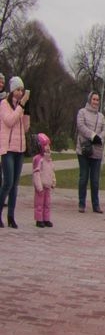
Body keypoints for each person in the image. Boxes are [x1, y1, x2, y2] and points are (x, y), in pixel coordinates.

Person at [0, 77, 30, 228]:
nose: (20, 93)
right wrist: (20, 107)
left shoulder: (21, 106)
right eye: (18, 90)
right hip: (8, 148)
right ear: (12, 90)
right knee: (8, 183)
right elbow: (9, 121)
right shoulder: (4, 104)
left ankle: (11, 216)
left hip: (20, 149)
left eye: (22, 90)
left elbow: (25, 128)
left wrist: (26, 111)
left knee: (15, 185)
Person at [76, 91, 105, 214]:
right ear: (89, 100)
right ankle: (81, 203)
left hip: (97, 152)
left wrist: (100, 138)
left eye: (97, 100)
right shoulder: (82, 112)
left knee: (95, 180)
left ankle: (96, 205)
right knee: (84, 177)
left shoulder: (101, 116)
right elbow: (81, 126)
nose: (95, 102)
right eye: (94, 99)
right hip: (84, 150)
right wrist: (93, 136)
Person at [31, 132, 55, 228]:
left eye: (49, 145)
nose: (48, 147)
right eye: (45, 145)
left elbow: (52, 171)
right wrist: (38, 186)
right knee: (39, 203)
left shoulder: (49, 159)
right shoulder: (38, 159)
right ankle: (39, 219)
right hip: (40, 186)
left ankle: (46, 218)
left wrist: (53, 181)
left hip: (48, 185)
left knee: (47, 203)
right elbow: (36, 174)